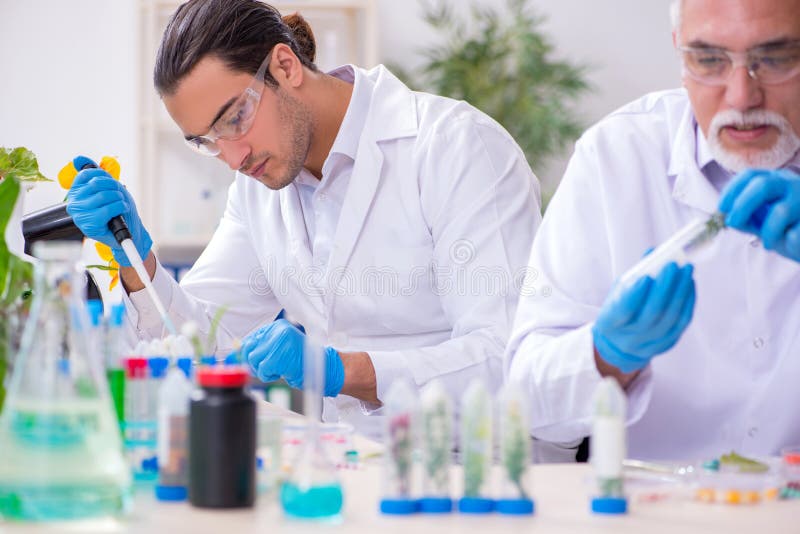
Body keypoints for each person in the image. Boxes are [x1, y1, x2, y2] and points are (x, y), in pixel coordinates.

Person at [65, 0, 541, 437]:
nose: (233, 158)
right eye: (206, 141)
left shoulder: (457, 147)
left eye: (234, 119)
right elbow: (202, 342)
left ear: (285, 66)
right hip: (353, 465)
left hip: (476, 464)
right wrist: (135, 258)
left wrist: (340, 371)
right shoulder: (257, 189)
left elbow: (508, 359)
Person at [506, 0, 800, 462]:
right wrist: (607, 356)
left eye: (776, 58)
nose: (742, 96)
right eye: (709, 60)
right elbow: (527, 401)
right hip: (656, 498)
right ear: (680, 54)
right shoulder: (617, 157)